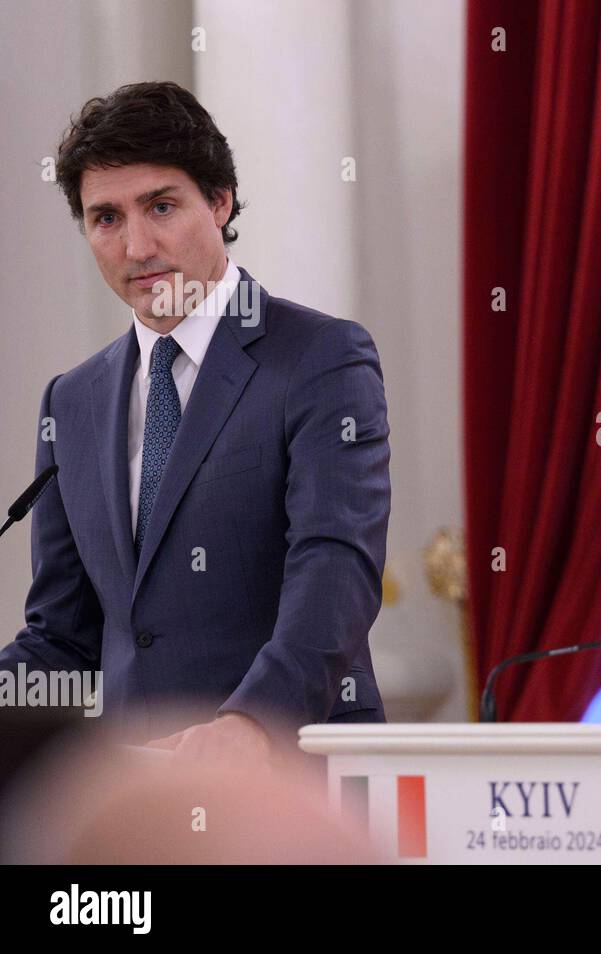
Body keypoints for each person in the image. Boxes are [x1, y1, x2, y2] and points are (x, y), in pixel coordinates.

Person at [0, 81, 390, 765]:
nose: (137, 246)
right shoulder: (72, 400)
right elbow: (62, 637)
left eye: (161, 206)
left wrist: (249, 726)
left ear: (219, 200)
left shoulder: (320, 357)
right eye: (106, 218)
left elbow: (334, 568)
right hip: (129, 799)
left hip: (286, 777)